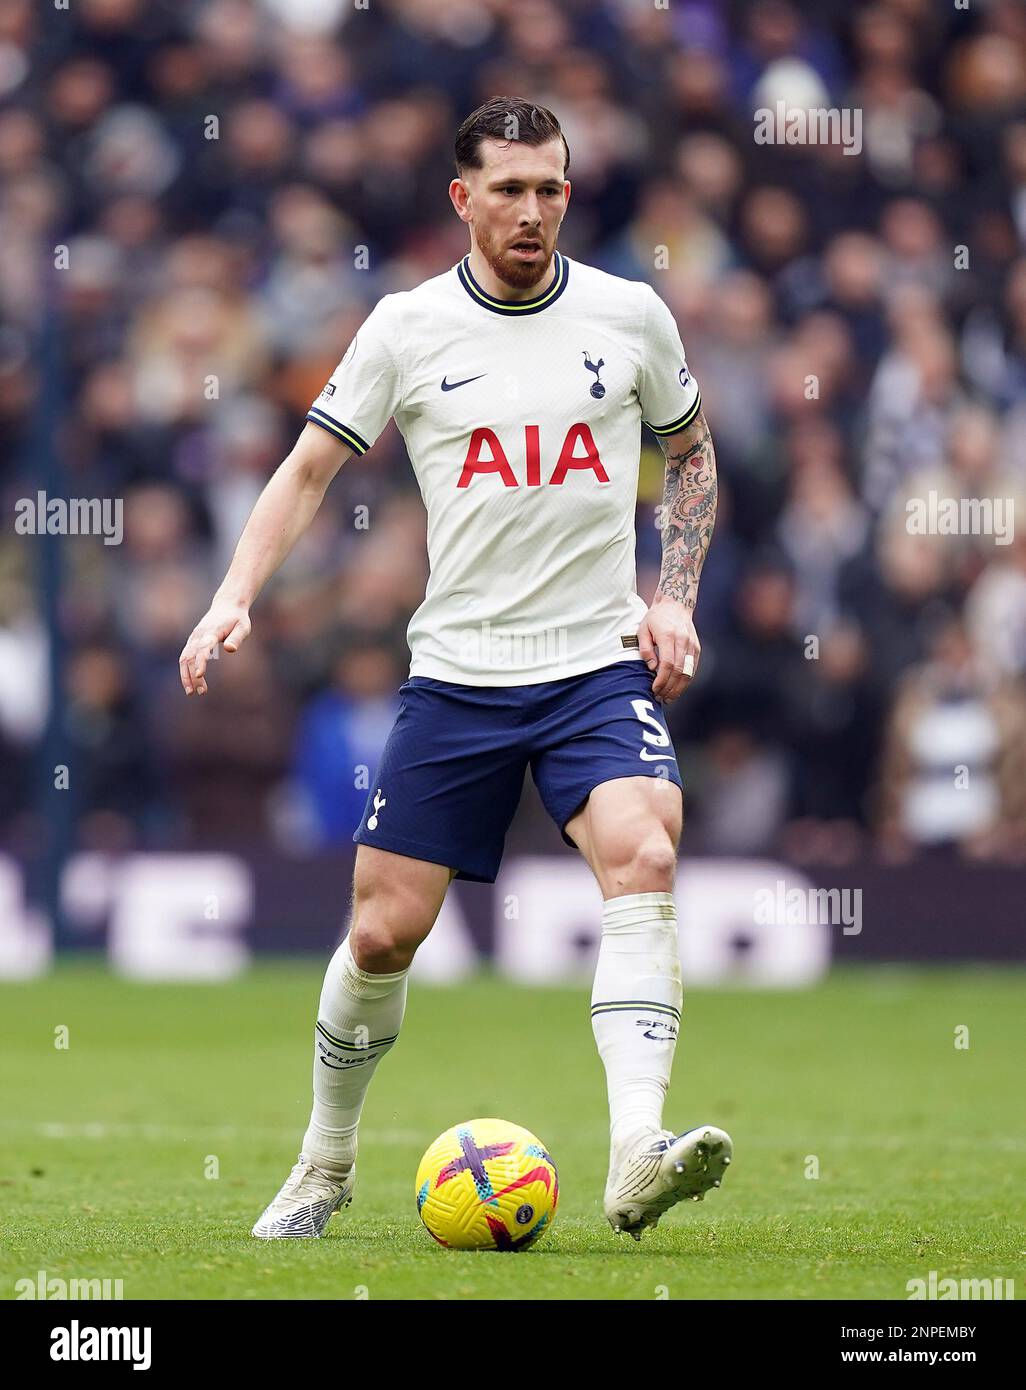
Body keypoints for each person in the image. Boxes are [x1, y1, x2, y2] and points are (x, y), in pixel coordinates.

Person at [179, 97, 732, 1242]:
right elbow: (305, 469)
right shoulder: (407, 327)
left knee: (646, 850)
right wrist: (234, 596)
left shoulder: (630, 315)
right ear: (462, 198)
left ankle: (637, 1150)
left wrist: (673, 596)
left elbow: (691, 454)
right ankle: (325, 1164)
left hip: (594, 663)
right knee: (383, 933)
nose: (534, 211)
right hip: (460, 674)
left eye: (552, 189)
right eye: (511, 190)